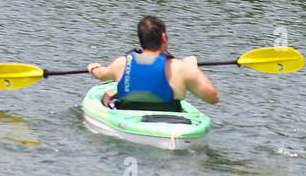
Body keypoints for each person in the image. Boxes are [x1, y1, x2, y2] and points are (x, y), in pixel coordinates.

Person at [87, 16, 219, 109]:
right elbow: (213, 98)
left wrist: (93, 68)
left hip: (130, 120)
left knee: (108, 94)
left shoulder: (122, 63)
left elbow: (102, 74)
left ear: (140, 40)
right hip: (171, 124)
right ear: (163, 37)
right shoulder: (180, 68)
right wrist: (193, 68)